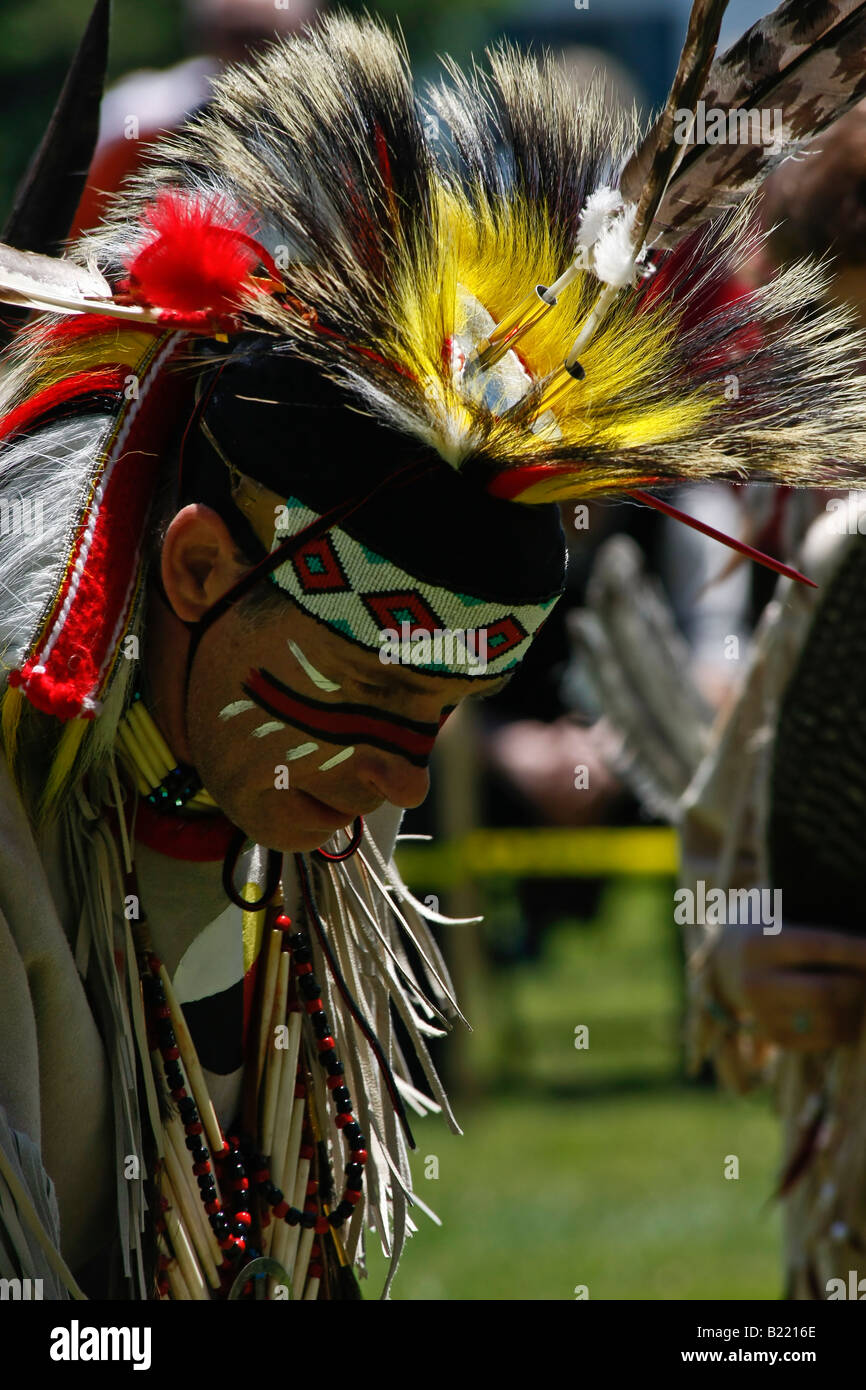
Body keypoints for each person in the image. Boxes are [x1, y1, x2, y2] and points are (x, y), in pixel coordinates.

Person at [3, 3, 866, 1302]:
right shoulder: (24, 842)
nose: (406, 782)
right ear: (193, 567)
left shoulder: (259, 818)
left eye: (445, 706)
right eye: (377, 689)